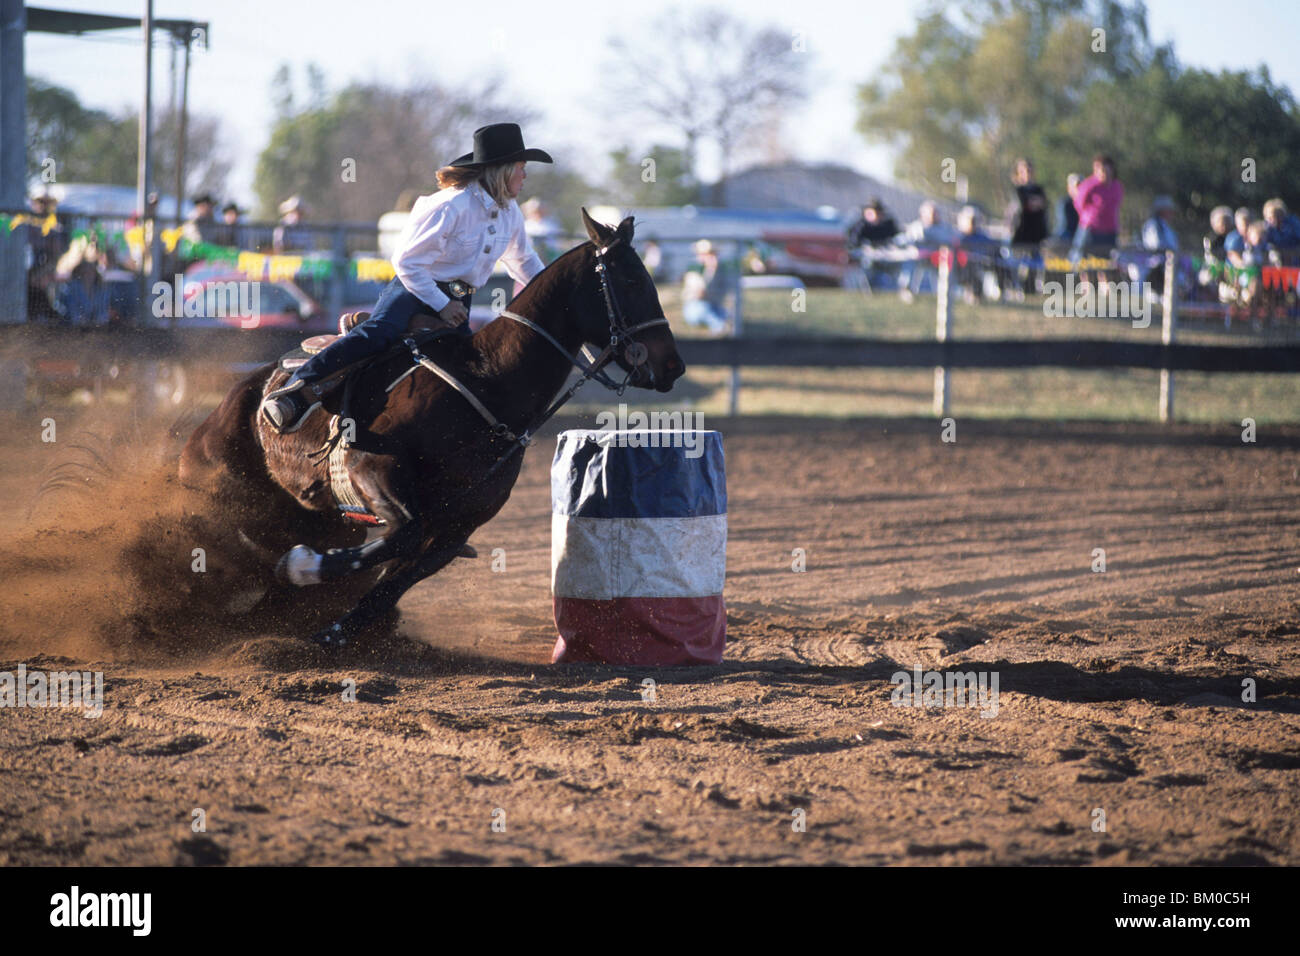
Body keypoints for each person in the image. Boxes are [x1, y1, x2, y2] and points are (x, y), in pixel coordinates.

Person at [261, 123, 554, 432]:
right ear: (503, 170)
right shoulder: (451, 204)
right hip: (416, 290)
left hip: (457, 301)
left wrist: (551, 289)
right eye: (521, 168)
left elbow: (523, 260)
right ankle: (296, 390)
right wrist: (442, 304)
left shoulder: (509, 212)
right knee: (379, 332)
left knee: (467, 365)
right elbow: (406, 262)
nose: (525, 176)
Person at [1072, 155, 1124, 258]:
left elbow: (1117, 204)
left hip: (1110, 230)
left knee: (1106, 261)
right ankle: (1070, 275)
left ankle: (1102, 275)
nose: (1101, 172)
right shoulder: (1089, 184)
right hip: (1090, 229)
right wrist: (1090, 217)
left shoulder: (1117, 186)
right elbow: (1079, 204)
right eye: (1098, 169)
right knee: (1077, 259)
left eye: (1104, 169)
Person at [681, 239, 733, 334]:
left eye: (713, 254)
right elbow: (701, 293)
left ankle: (724, 325)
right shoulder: (694, 269)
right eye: (709, 254)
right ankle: (719, 328)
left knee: (726, 314)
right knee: (704, 310)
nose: (712, 257)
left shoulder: (719, 270)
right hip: (695, 307)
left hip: (713, 305)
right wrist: (710, 271)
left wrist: (714, 271)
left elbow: (724, 291)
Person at [1054, 173, 1080, 242]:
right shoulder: (1065, 203)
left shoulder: (1087, 203)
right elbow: (1063, 225)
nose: (1079, 189)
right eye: (1076, 186)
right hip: (1067, 237)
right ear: (1068, 188)